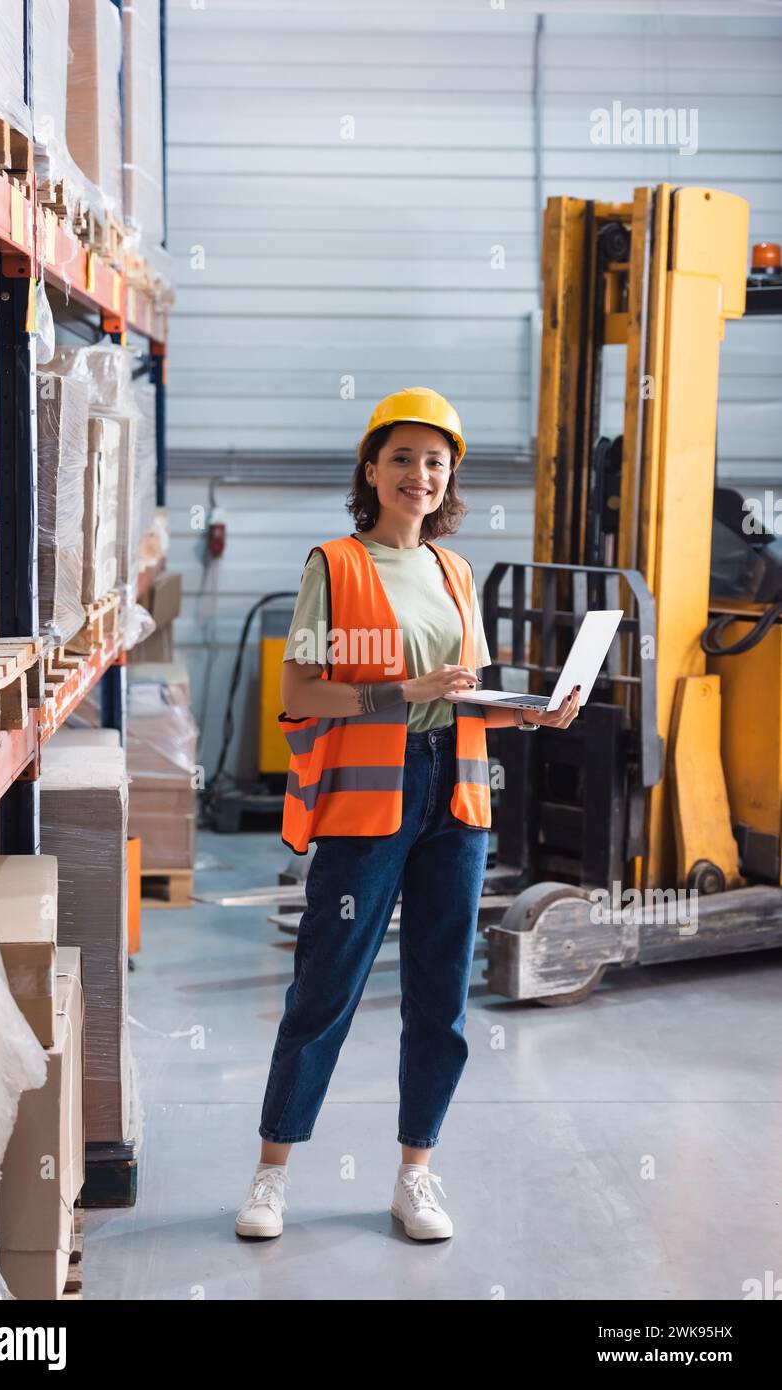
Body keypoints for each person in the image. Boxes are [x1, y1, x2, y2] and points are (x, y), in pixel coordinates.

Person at [235, 388, 580, 1242]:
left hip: (455, 799)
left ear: (449, 475)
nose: (418, 475)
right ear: (371, 469)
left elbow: (467, 700)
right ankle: (271, 1176)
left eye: (434, 461)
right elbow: (301, 691)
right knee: (326, 989)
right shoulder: (336, 564)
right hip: (369, 801)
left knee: (439, 998)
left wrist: (527, 713)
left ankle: (414, 1175)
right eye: (401, 458)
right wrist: (400, 692)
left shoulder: (455, 572)